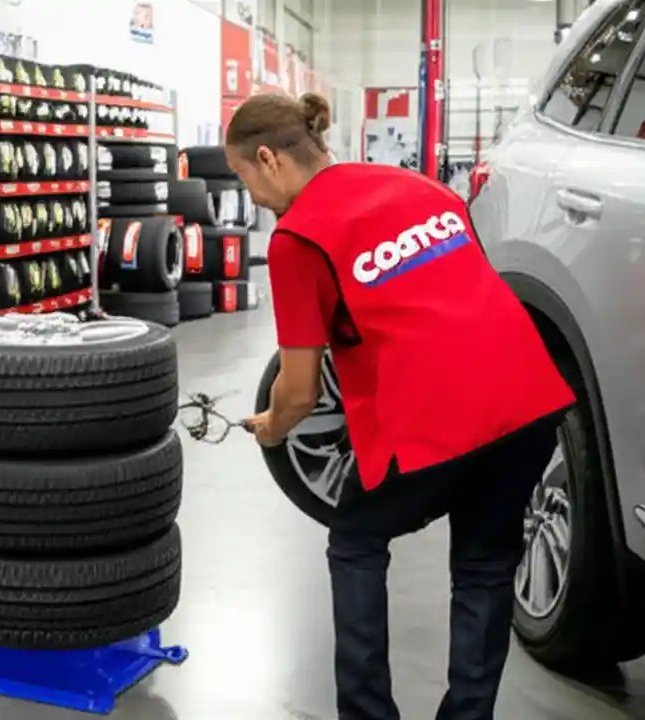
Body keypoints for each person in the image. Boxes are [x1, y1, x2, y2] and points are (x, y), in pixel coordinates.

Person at [229, 92, 575, 720]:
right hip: (528, 399)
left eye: (243, 176)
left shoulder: (296, 239)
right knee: (484, 568)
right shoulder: (419, 187)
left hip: (439, 419)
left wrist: (273, 429)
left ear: (267, 159)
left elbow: (300, 390)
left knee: (356, 540)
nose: (248, 193)